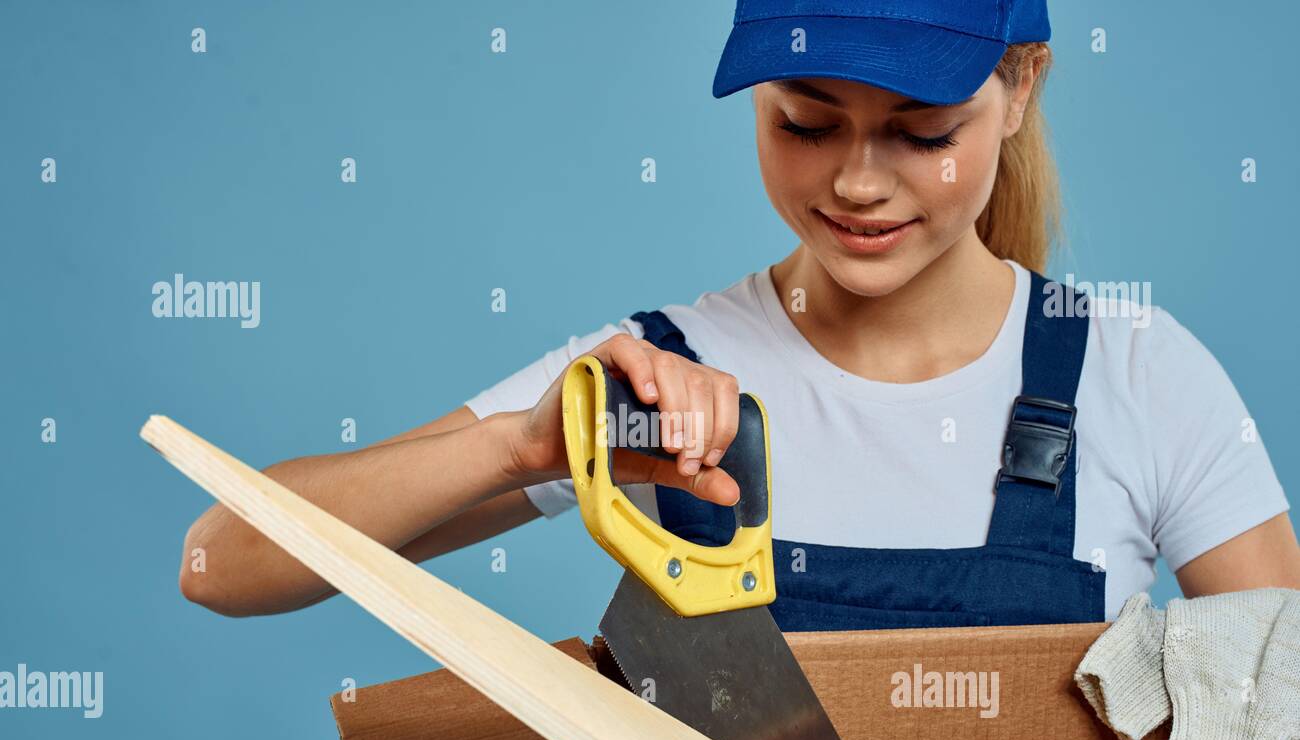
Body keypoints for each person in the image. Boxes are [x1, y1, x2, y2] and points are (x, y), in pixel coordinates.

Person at [180, 0, 1300, 629]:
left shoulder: (1142, 378)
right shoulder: (657, 374)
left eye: (921, 134)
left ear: (1022, 89)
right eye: (805, 125)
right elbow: (223, 561)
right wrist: (533, 445)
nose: (858, 184)